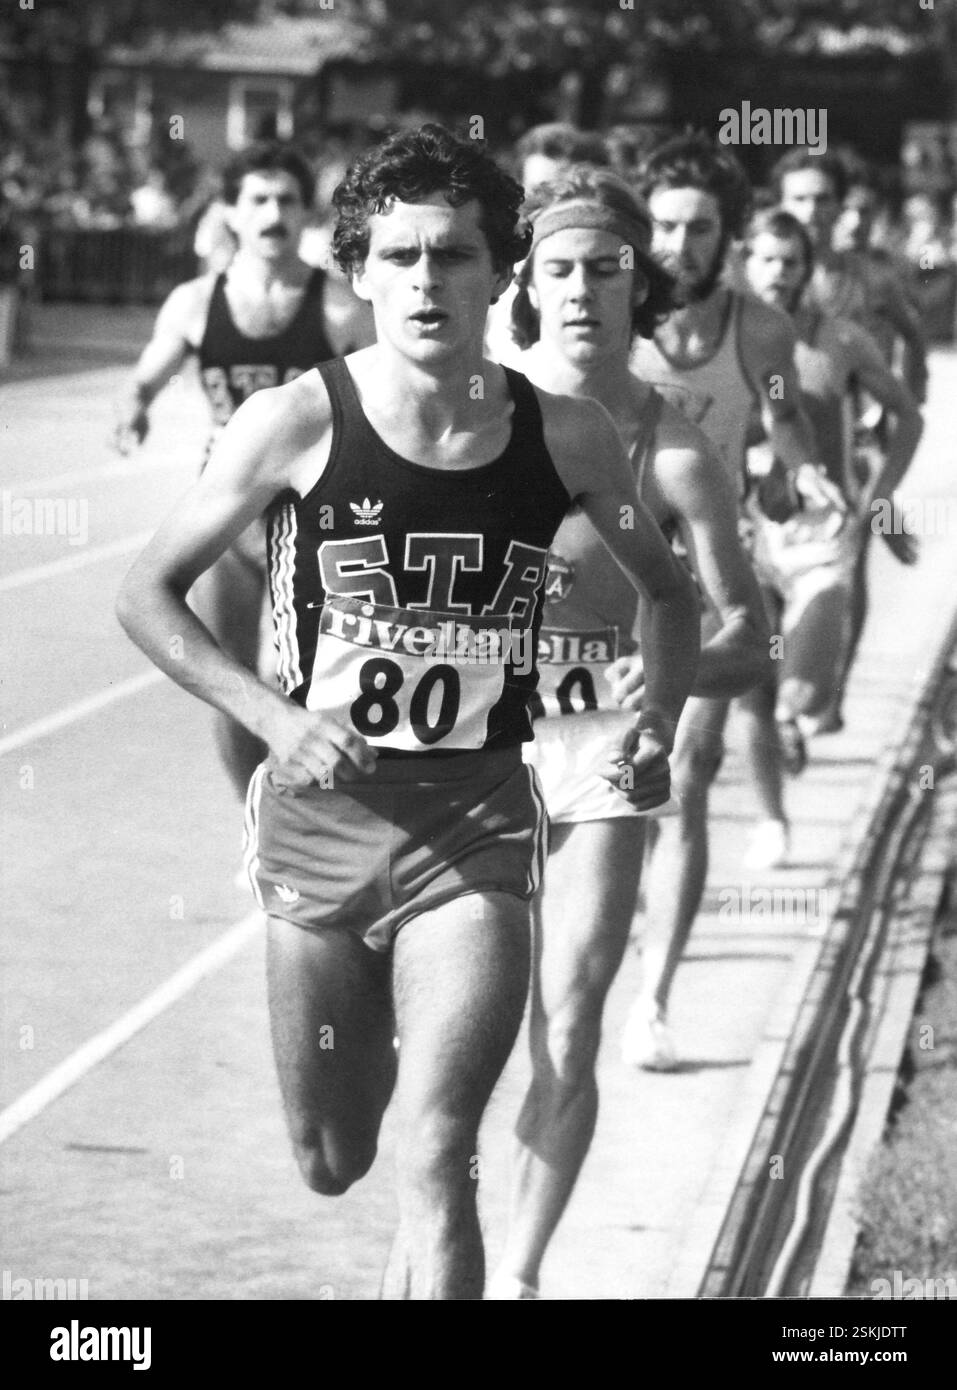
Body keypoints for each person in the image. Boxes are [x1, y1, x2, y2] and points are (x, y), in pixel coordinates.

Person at [115, 123, 701, 1301]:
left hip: (472, 828)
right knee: (333, 1158)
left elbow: (672, 597)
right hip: (319, 823)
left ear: (499, 274)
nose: (428, 282)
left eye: (455, 257)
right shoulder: (296, 419)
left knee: (440, 1152)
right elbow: (144, 595)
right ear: (362, 272)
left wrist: (656, 726)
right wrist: (274, 720)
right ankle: (383, 1018)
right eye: (402, 257)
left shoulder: (565, 434)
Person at [485, 167, 770, 1300]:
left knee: (572, 1003)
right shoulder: (470, 415)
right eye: (559, 269)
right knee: (457, 1013)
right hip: (472, 734)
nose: (583, 292)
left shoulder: (676, 449)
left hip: (602, 737)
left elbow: (753, 635)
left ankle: (515, 1274)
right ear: (526, 285)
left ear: (635, 286)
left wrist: (653, 690)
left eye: (607, 270)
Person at [617, 130, 840, 1060]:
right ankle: (619, 908)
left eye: (698, 227)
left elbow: (785, 424)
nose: (677, 243)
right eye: (663, 223)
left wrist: (805, 480)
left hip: (705, 572)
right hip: (604, 569)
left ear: (727, 235)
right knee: (600, 784)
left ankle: (654, 1001)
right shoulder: (606, 311)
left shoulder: (759, 329)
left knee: (684, 775)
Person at [114, 141, 375, 800]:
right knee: (229, 680)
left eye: (286, 199)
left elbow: (385, 389)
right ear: (230, 212)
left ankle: (319, 812)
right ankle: (252, 814)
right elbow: (146, 376)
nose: (273, 213)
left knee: (309, 673)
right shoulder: (196, 304)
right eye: (257, 199)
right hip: (228, 514)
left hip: (316, 515)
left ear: (302, 212)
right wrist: (132, 409)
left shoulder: (339, 305)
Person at [738, 207, 923, 836]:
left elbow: (908, 416)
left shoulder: (840, 339)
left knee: (804, 690)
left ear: (805, 268)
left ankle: (803, 716)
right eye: (767, 259)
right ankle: (770, 819)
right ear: (745, 261)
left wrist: (881, 497)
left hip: (824, 530)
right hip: (748, 526)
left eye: (791, 262)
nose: (780, 273)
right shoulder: (721, 337)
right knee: (753, 692)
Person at [773, 147, 928, 728]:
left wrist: (903, 403)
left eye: (824, 200)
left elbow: (912, 337)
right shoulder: (764, 266)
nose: (813, 211)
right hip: (766, 454)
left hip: (852, 432)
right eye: (801, 199)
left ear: (839, 207)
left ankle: (828, 684)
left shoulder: (865, 276)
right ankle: (785, 698)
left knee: (849, 559)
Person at [485, 123, 610, 367]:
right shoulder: (492, 274)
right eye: (539, 191)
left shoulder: (618, 279)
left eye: (566, 191)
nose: (552, 205)